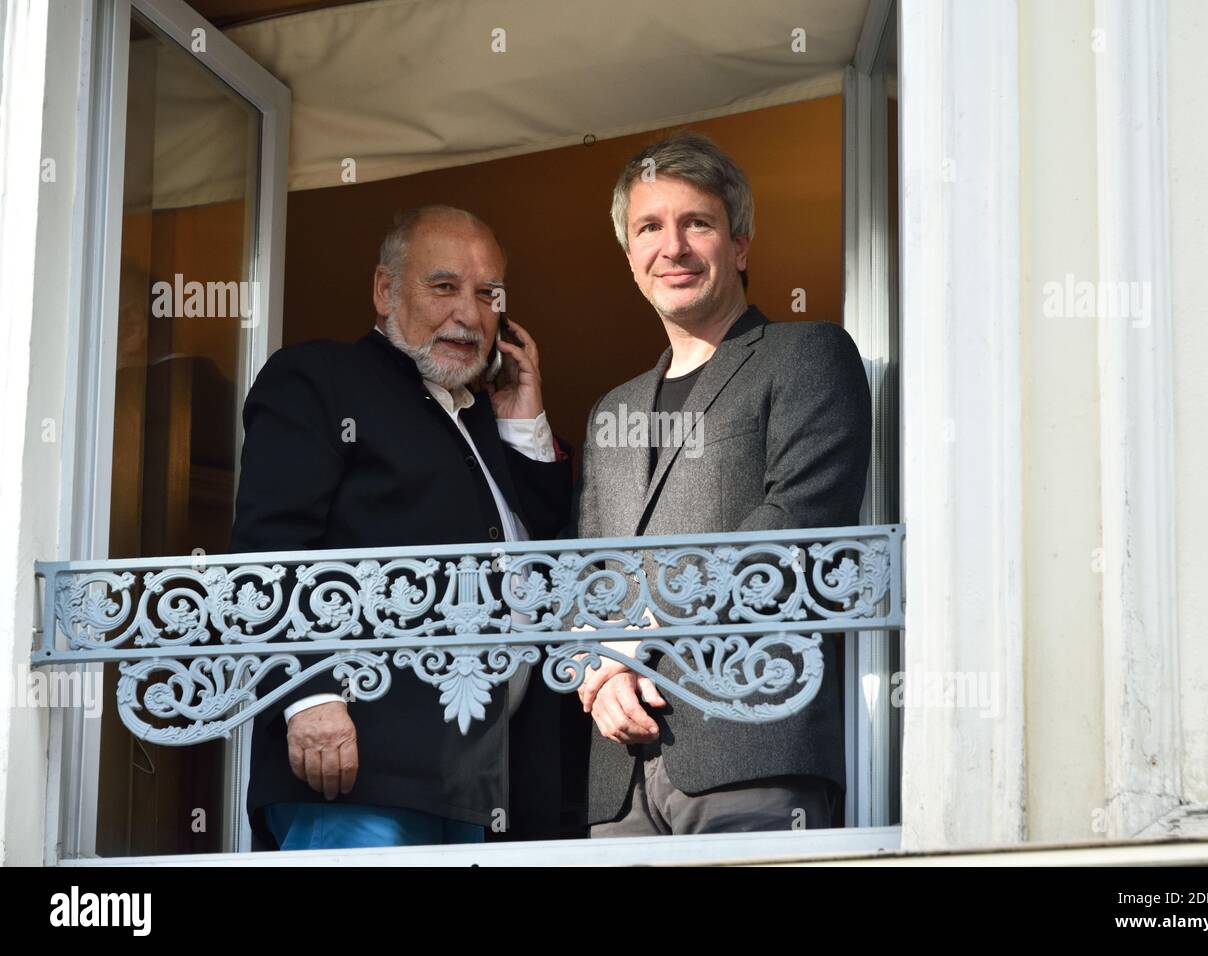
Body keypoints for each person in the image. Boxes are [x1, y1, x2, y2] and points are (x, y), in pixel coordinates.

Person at [230, 205, 570, 849]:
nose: (469, 314)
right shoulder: (321, 378)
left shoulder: (479, 417)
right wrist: (309, 692)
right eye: (444, 287)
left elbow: (547, 559)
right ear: (386, 291)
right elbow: (268, 548)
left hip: (490, 788)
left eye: (487, 294)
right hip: (360, 773)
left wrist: (523, 423)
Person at [577, 132, 870, 836]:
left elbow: (795, 518)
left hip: (754, 744)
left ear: (739, 245)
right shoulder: (612, 408)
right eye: (650, 227)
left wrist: (644, 633)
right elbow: (587, 570)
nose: (671, 247)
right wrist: (600, 670)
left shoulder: (809, 354)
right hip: (620, 774)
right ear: (630, 259)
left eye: (696, 223)